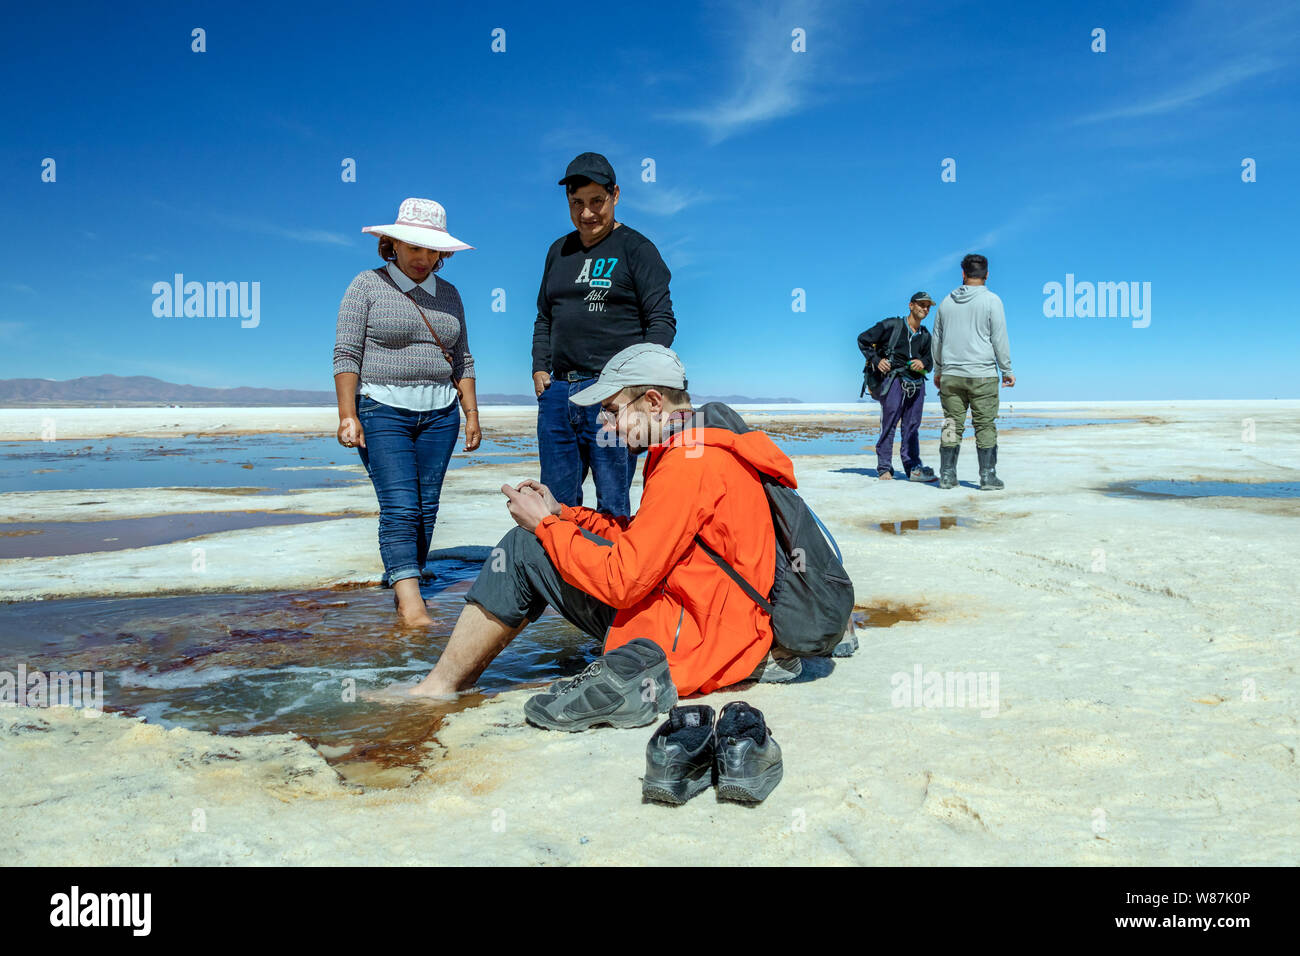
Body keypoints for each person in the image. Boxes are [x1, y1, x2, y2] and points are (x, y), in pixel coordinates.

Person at [409, 344, 799, 732]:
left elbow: (623, 582)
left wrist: (545, 526)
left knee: (522, 547)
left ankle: (438, 687)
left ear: (652, 401)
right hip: (724, 623)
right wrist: (565, 514)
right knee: (545, 537)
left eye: (612, 411)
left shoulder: (687, 465)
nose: (605, 427)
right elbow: (646, 539)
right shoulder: (699, 446)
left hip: (695, 645)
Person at [333, 198, 482, 626]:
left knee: (426, 505)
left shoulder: (450, 295)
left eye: (431, 249)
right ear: (392, 244)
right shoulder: (366, 285)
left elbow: (463, 359)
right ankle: (411, 604)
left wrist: (470, 413)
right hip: (382, 409)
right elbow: (347, 353)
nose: (422, 257)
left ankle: (405, 573)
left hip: (440, 414)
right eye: (413, 247)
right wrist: (348, 414)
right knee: (400, 505)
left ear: (442, 252)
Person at [532, 152, 676, 518]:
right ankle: (562, 575)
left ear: (615, 195)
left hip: (612, 397)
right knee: (556, 506)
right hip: (559, 394)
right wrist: (539, 367)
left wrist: (631, 385)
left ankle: (611, 572)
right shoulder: (557, 251)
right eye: (577, 203)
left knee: (613, 507)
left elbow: (661, 323)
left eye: (597, 201)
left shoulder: (637, 249)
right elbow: (544, 317)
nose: (587, 213)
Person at [932, 254, 1015, 490]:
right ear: (987, 274)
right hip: (983, 374)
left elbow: (937, 340)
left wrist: (939, 370)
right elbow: (999, 338)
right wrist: (1006, 369)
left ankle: (947, 475)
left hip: (951, 375)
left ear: (963, 274)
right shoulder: (992, 300)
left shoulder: (946, 302)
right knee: (985, 425)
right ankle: (987, 476)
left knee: (951, 424)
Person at [858, 292, 938, 482]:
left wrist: (923, 364)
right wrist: (876, 360)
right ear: (911, 305)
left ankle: (913, 468)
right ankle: (884, 468)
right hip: (893, 381)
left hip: (917, 384)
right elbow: (863, 339)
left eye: (928, 306)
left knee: (912, 427)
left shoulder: (926, 335)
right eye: (921, 305)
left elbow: (930, 361)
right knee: (890, 424)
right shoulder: (892, 325)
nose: (925, 309)